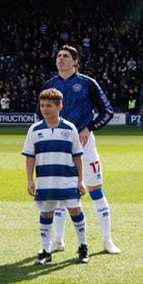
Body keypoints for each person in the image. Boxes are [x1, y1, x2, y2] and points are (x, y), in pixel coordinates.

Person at [44, 45, 119, 255]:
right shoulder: (50, 85)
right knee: (59, 193)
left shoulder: (87, 83)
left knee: (96, 190)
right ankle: (58, 241)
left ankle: (107, 241)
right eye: (58, 56)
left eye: (66, 56)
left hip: (85, 145)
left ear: (75, 61)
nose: (61, 59)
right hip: (59, 145)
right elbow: (42, 114)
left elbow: (107, 111)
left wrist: (89, 127)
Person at [23, 88, 89, 264]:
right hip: (45, 180)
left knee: (75, 210)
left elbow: (77, 155)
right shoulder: (35, 130)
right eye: (42, 105)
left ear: (59, 106)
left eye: (49, 105)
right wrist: (30, 180)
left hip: (68, 179)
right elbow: (30, 156)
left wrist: (81, 180)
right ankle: (45, 251)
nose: (45, 109)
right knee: (46, 213)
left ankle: (83, 247)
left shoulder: (70, 128)